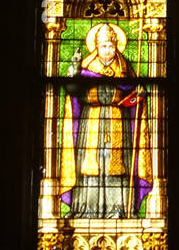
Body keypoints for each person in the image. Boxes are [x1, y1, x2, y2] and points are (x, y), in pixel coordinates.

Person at [59, 22, 152, 219]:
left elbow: (133, 95)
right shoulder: (86, 66)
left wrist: (139, 94)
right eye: (103, 46)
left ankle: (119, 210)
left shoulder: (124, 67)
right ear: (96, 47)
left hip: (119, 121)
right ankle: (86, 210)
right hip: (91, 121)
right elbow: (73, 91)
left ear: (116, 46)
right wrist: (74, 71)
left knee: (118, 166)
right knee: (90, 166)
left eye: (111, 45)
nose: (107, 50)